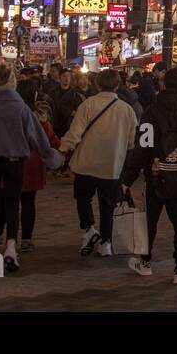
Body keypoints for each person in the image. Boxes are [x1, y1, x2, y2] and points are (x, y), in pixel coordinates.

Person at [0, 65, 63, 272]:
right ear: (12, 83)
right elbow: (37, 138)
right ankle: (11, 247)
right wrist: (51, 157)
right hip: (15, 162)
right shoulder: (22, 109)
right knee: (12, 206)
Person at [122, 68, 177, 283]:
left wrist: (127, 180)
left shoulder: (151, 112)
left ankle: (146, 262)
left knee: (150, 222)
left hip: (156, 176)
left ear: (163, 84)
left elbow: (142, 147)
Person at [58, 67, 138, 257]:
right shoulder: (127, 110)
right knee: (107, 205)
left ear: (97, 84)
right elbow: (131, 142)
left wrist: (62, 151)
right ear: (117, 85)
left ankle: (88, 230)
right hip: (112, 166)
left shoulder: (88, 104)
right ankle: (106, 243)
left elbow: (74, 133)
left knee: (83, 199)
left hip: (85, 162)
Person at [16, 77, 60, 252]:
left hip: (11, 161)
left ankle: (2, 237)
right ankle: (26, 239)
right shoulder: (38, 115)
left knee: (8, 201)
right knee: (28, 202)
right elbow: (48, 138)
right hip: (32, 162)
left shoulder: (13, 112)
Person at [49, 70, 85, 138]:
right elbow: (53, 107)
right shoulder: (52, 93)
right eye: (64, 76)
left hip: (70, 124)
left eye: (68, 76)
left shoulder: (76, 93)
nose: (67, 78)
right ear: (60, 78)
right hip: (57, 123)